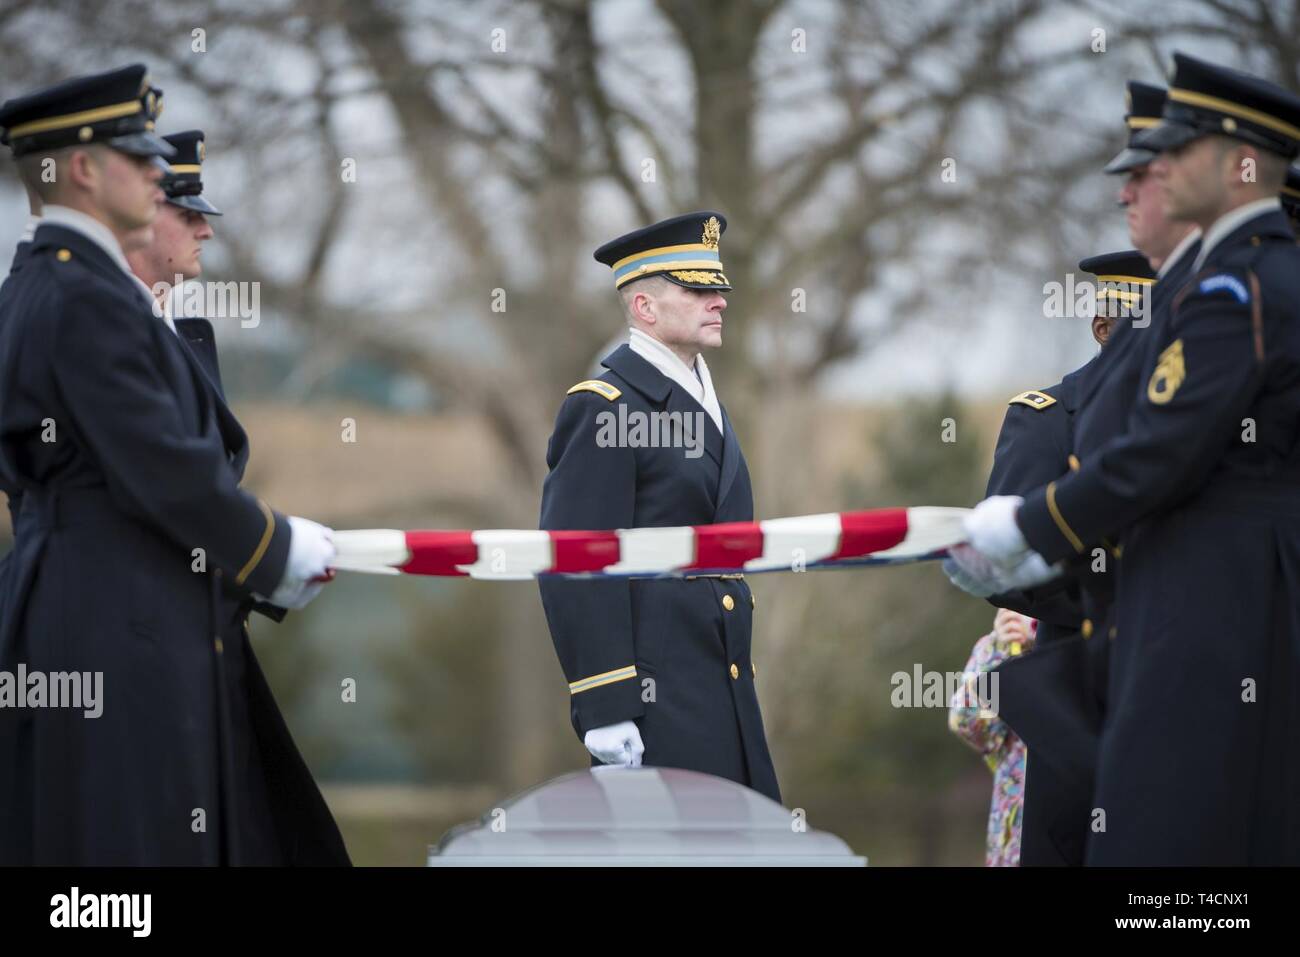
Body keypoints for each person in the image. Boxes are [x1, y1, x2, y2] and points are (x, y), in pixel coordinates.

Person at [954, 52, 1300, 865]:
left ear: (1234, 163)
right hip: (1165, 609)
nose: (1139, 184)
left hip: (1220, 613)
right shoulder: (1216, 287)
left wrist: (1026, 527)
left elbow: (1155, 456)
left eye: (1169, 158)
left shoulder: (1238, 289)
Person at [0, 64, 348, 864]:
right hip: (113, 611)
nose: (161, 177)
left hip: (105, 600)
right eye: (143, 159)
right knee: (122, 854)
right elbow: (162, 465)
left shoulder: (52, 287)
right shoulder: (82, 294)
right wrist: (277, 547)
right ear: (84, 169)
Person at [537, 211, 780, 802]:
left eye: (718, 289)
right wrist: (605, 704)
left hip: (722, 686)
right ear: (644, 308)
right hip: (652, 700)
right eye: (697, 289)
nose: (718, 301)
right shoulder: (607, 407)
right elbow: (575, 563)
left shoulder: (704, 401)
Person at [948, 608, 1037, 866]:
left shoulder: (1087, 632)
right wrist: (1000, 651)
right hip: (1013, 840)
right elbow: (968, 723)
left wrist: (1041, 641)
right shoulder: (996, 646)